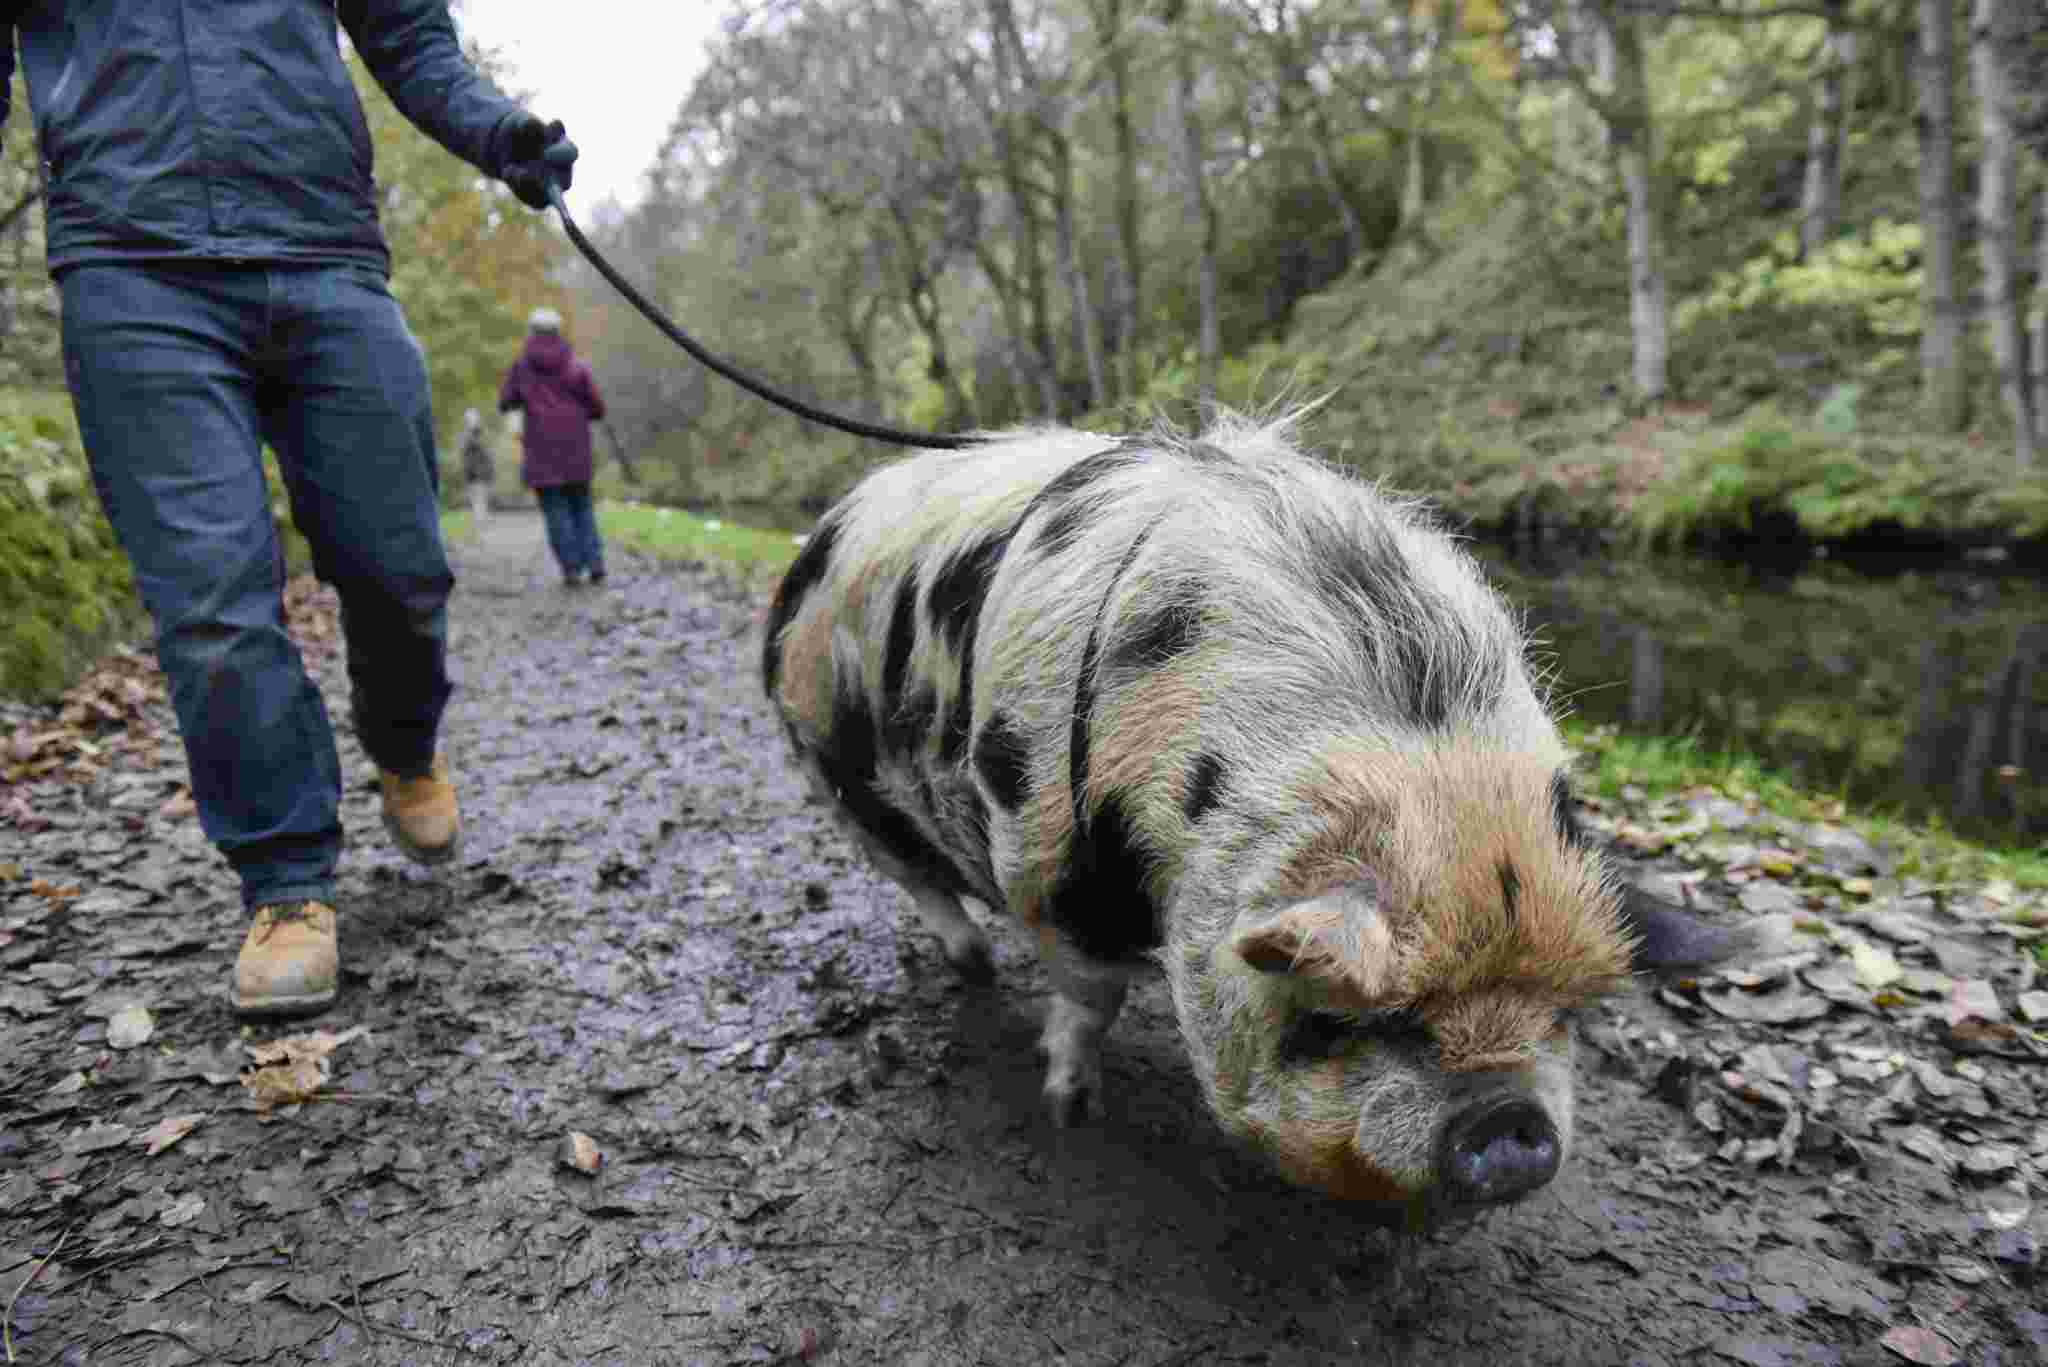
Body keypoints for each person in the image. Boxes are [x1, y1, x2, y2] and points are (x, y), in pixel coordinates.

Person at [1, 2, 579, 1018]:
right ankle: (287, 881)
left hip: (325, 253)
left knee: (399, 564)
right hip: (131, 267)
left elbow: (407, 37)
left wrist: (500, 133)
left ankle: (404, 744)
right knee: (213, 602)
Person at [499, 308, 610, 587]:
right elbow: (597, 407)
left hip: (542, 451)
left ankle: (571, 568)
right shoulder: (575, 365)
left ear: (531, 332)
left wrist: (525, 402)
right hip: (575, 448)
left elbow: (506, 401)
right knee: (582, 505)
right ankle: (595, 562)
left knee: (555, 509)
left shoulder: (522, 367)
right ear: (558, 332)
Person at [459, 409, 495, 526]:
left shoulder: (479, 433)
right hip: (474, 470)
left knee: (481, 495)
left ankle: (481, 518)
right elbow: (466, 450)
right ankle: (480, 519)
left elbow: (486, 451)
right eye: (471, 419)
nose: (474, 421)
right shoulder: (468, 435)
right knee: (478, 495)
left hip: (480, 470)